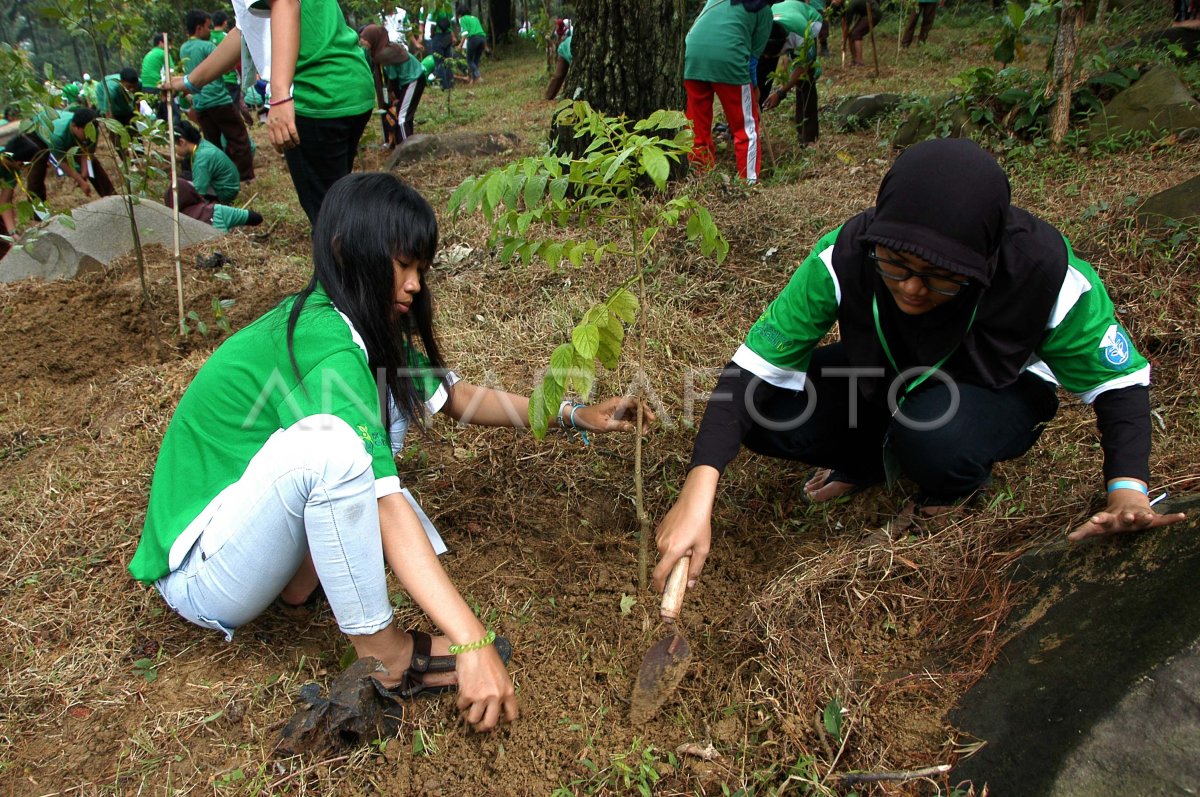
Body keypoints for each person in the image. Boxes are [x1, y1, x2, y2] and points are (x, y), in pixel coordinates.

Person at [129, 172, 652, 731]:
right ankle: (387, 655)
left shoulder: (354, 325)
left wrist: (576, 414)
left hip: (247, 539)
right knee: (333, 448)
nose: (413, 286)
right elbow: (382, 500)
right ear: (344, 252)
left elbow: (456, 398)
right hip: (201, 573)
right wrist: (468, 638)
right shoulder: (322, 345)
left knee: (391, 398)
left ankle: (299, 586)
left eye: (420, 269)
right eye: (402, 266)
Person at [652, 139, 1187, 594]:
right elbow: (751, 372)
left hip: (997, 386)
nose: (910, 287)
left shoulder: (1046, 274)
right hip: (889, 373)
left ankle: (947, 484)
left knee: (935, 436)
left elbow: (1118, 383)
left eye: (940, 276)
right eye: (896, 265)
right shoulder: (843, 257)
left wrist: (1127, 489)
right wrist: (697, 495)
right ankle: (868, 459)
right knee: (770, 410)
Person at [170, 0, 375, 228]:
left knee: (329, 222)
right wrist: (190, 81)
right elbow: (244, 30)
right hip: (349, 84)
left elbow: (284, 2)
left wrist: (280, 95)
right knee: (337, 205)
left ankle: (356, 259)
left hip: (315, 92)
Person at [683, 0, 773, 184]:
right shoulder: (763, 10)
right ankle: (749, 181)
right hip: (729, 61)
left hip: (692, 57)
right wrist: (754, 88)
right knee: (745, 127)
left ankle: (700, 177)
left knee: (696, 126)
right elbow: (753, 60)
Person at [180, 9, 255, 182]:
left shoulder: (183, 49)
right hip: (218, 99)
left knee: (213, 142)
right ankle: (244, 176)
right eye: (208, 27)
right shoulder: (207, 46)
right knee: (238, 137)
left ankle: (218, 176)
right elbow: (224, 66)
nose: (210, 30)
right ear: (199, 28)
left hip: (200, 103)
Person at [16, 107, 115, 201]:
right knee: (37, 171)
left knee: (93, 165)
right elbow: (62, 162)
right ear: (75, 127)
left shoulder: (93, 130)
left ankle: (112, 197)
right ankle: (38, 214)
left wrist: (83, 175)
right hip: (37, 131)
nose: (89, 136)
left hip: (63, 133)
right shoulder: (57, 136)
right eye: (86, 133)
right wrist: (80, 181)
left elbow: (88, 154)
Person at [760, 0, 823, 145]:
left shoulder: (802, 35)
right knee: (762, 69)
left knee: (806, 78)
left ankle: (808, 139)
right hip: (782, 14)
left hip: (809, 19)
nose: (768, 57)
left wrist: (781, 93)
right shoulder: (761, 30)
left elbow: (802, 68)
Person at [360, 24, 414, 149]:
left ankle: (402, 143)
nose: (362, 41)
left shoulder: (388, 51)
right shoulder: (368, 51)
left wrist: (392, 91)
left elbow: (394, 73)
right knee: (385, 111)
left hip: (393, 85)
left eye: (365, 38)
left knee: (398, 112)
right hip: (381, 86)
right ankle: (390, 140)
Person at [831, 0, 881, 66]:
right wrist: (844, 39)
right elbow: (844, 21)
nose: (834, 1)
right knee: (851, 35)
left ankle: (859, 61)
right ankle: (854, 59)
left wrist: (844, 43)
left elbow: (846, 26)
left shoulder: (849, 4)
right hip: (865, 14)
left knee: (856, 33)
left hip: (873, 13)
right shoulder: (845, 5)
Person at [428, 5, 459, 91]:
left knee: (439, 61)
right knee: (448, 60)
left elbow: (433, 25)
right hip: (448, 36)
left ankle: (443, 85)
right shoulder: (448, 5)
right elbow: (452, 22)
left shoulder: (435, 6)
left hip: (438, 36)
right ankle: (451, 83)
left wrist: (432, 35)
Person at [457, 3, 488, 83]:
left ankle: (478, 76)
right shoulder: (475, 18)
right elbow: (480, 30)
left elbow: (465, 33)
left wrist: (460, 45)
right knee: (475, 60)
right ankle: (474, 79)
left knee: (469, 60)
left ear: (459, 14)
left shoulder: (462, 19)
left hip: (473, 38)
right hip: (482, 38)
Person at [543, 32, 572, 101]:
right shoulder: (573, 52)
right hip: (563, 52)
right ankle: (549, 96)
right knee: (559, 75)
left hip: (567, 51)